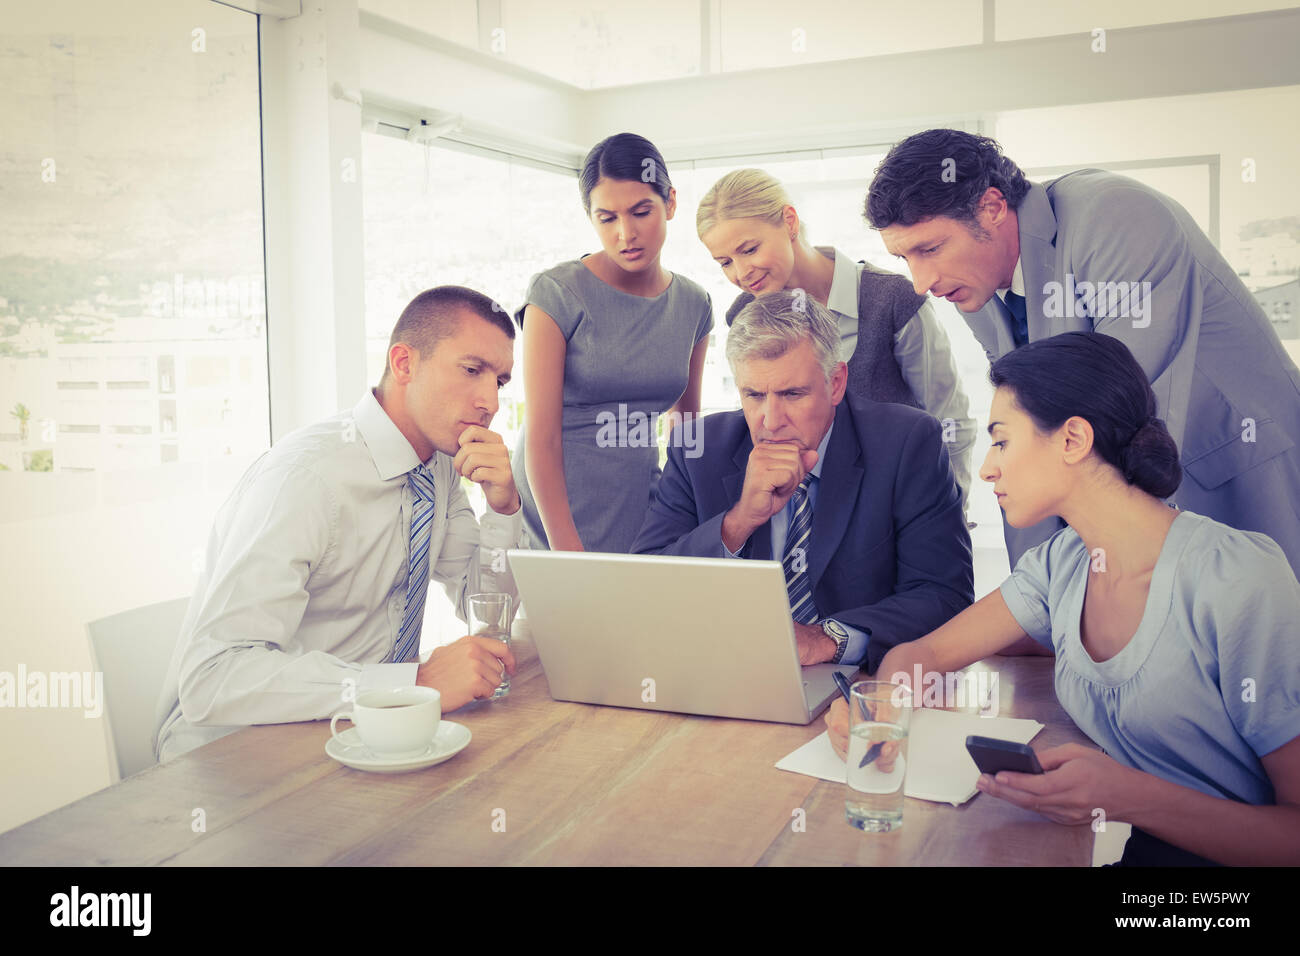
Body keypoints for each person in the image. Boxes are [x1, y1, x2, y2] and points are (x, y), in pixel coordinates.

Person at [824, 332, 1300, 866]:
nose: (986, 468)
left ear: (1073, 439)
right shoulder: (1061, 564)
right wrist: (881, 710)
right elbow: (927, 654)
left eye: (1001, 440)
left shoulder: (1237, 579)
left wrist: (1127, 796)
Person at [865, 128, 1300, 578]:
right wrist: (1034, 591)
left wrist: (1043, 595)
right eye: (905, 258)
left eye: (930, 248)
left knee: (1268, 631)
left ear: (992, 207)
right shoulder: (973, 286)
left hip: (1235, 462)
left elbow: (1112, 414)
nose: (921, 282)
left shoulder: (1117, 216)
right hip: (1145, 503)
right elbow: (1032, 425)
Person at [153, 286, 527, 761]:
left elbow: (485, 608)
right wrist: (412, 681)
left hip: (358, 733)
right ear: (404, 364)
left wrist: (503, 507)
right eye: (472, 371)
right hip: (232, 750)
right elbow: (213, 678)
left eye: (500, 382)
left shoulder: (436, 467)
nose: (489, 402)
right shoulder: (305, 478)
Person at [632, 290, 972, 672]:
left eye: (792, 394)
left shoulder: (907, 443)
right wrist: (739, 521)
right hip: (722, 672)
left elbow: (944, 595)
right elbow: (646, 587)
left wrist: (826, 639)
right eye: (754, 395)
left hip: (857, 682)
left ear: (837, 383)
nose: (771, 420)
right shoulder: (698, 451)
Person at [697, 167, 977, 515]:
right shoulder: (743, 315)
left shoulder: (891, 299)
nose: (740, 273)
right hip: (805, 519)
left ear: (789, 221)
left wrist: (950, 515)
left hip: (900, 506)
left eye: (749, 249)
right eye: (725, 262)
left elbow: (950, 419)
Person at [513, 132, 713, 554]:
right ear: (591, 218)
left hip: (642, 494)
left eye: (642, 211)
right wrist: (565, 547)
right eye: (607, 218)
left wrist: (688, 514)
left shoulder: (694, 304)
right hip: (558, 502)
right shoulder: (555, 293)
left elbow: (686, 427)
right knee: (565, 618)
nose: (626, 234)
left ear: (671, 203)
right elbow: (541, 436)